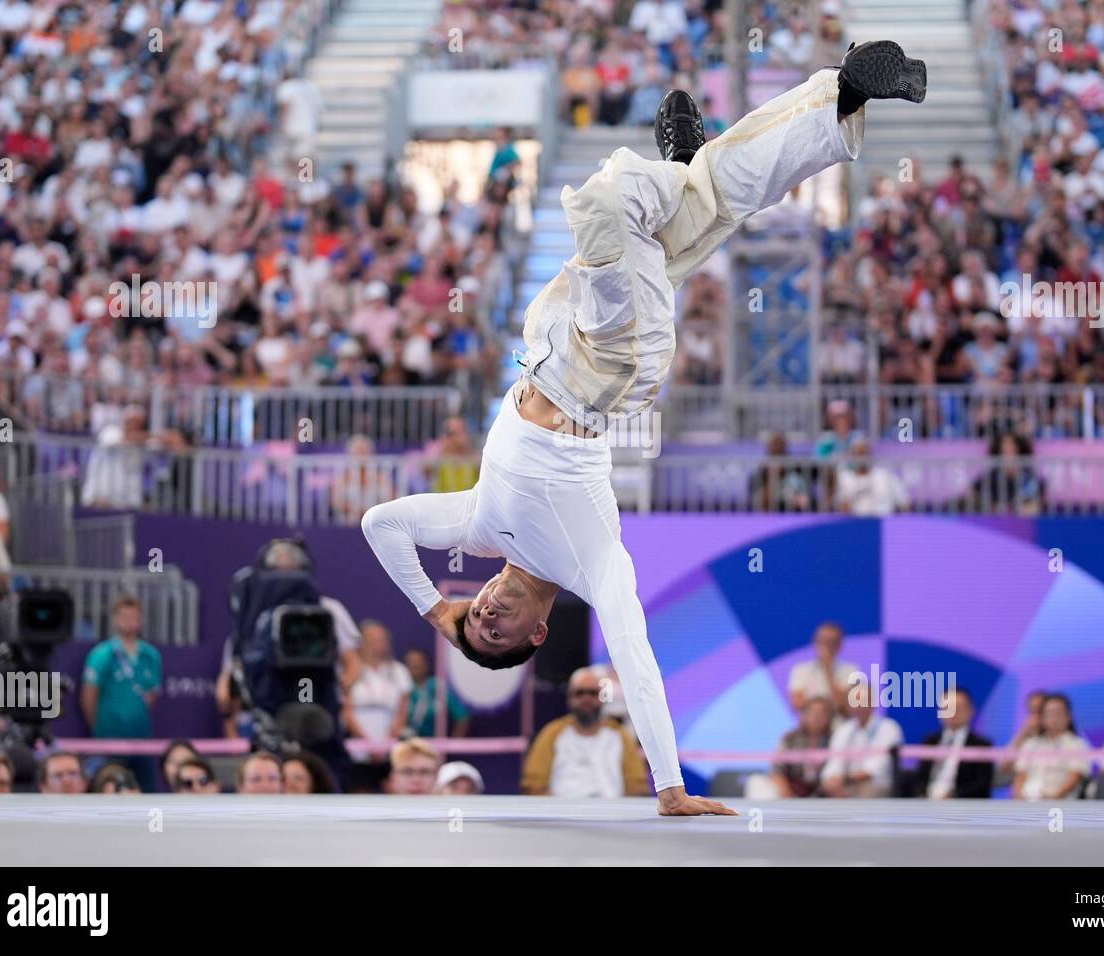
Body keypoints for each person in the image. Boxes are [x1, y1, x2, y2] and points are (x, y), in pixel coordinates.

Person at [362, 42, 926, 815]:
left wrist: (436, 613)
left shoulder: (480, 526)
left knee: (717, 197)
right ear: (535, 634)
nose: (486, 618)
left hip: (557, 332)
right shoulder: (594, 565)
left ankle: (840, 99)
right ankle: (680, 166)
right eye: (497, 637)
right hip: (610, 365)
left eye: (476, 618)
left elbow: (380, 524)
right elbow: (635, 655)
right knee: (605, 201)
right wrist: (668, 786)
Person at [521, 667, 652, 798]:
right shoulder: (552, 734)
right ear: (570, 697)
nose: (586, 699)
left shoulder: (620, 736)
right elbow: (533, 785)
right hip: (561, 814)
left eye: (592, 693)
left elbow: (638, 787)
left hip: (612, 815)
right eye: (580, 693)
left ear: (602, 697)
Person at [80, 596, 162, 791]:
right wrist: (101, 727)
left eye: (134, 616)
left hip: (142, 740)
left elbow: (151, 696)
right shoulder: (101, 654)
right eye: (124, 616)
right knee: (111, 790)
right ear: (115, 619)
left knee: (147, 793)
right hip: (109, 740)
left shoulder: (151, 655)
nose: (129, 621)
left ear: (141, 620)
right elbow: (89, 696)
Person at [820, 679, 905, 797]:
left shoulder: (889, 728)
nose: (859, 705)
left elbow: (875, 768)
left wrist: (845, 779)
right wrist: (832, 779)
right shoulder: (843, 730)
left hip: (875, 786)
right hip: (846, 784)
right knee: (827, 788)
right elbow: (834, 762)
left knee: (864, 790)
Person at [914, 688, 994, 799]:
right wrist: (921, 795)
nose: (952, 713)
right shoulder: (930, 741)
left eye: (958, 708)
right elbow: (920, 778)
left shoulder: (981, 745)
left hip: (962, 806)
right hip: (925, 804)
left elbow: (982, 785)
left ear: (970, 711)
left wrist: (953, 796)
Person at [1012, 694, 1090, 800]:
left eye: (1058, 713)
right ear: (1043, 718)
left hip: (1060, 807)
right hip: (1027, 804)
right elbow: (1021, 775)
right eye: (1050, 713)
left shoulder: (1078, 745)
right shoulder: (1031, 744)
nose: (1054, 718)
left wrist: (1053, 798)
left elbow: (1075, 776)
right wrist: (1018, 798)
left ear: (1069, 716)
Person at [787, 622, 860, 714]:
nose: (826, 646)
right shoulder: (800, 670)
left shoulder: (852, 671)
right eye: (822, 641)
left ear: (839, 645)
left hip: (841, 725)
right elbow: (798, 703)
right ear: (815, 642)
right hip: (812, 726)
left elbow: (844, 705)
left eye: (831, 642)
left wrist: (828, 670)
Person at [770, 696, 834, 798]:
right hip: (792, 791)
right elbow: (777, 770)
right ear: (804, 715)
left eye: (822, 714)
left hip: (822, 796)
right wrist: (788, 796)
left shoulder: (834, 740)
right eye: (813, 713)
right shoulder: (790, 739)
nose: (817, 718)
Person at [404, 648, 470, 739]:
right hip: (404, 746)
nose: (415, 665)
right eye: (411, 662)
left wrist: (454, 745)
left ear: (427, 665)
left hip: (433, 746)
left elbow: (462, 716)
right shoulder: (400, 688)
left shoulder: (438, 687)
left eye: (419, 662)